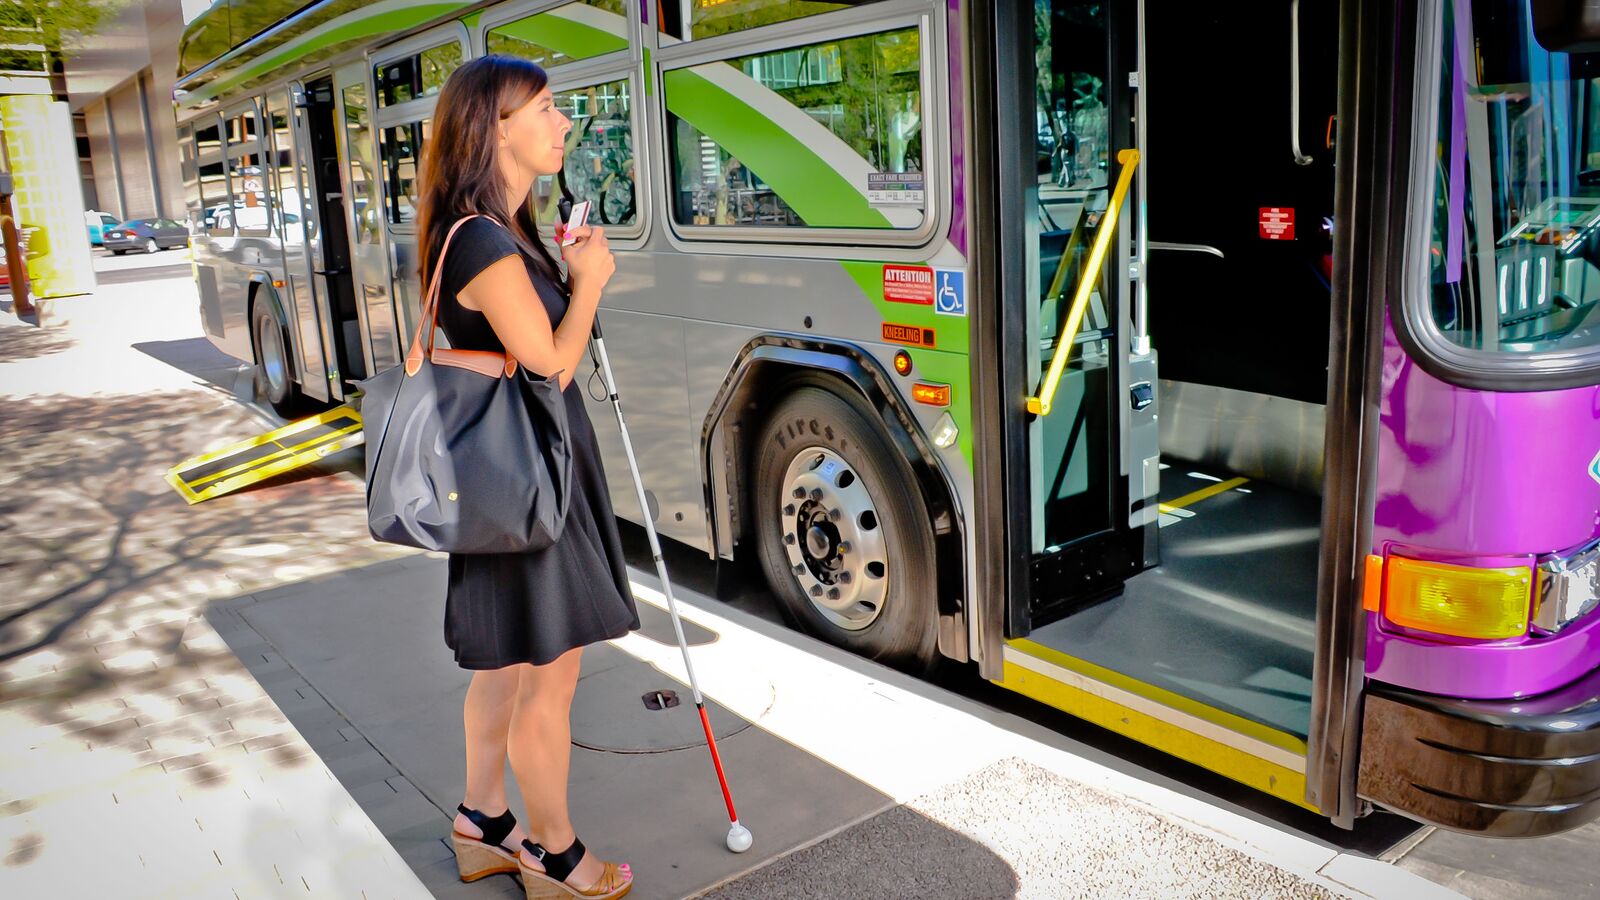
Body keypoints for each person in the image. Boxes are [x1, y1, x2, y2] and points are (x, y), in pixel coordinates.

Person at [414, 54, 640, 900]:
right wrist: (589, 284)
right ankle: (553, 853)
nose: (563, 123)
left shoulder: (495, 230)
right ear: (494, 127)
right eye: (545, 109)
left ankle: (482, 820)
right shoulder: (479, 237)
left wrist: (566, 270)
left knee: (506, 667)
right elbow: (548, 363)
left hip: (509, 484)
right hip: (530, 487)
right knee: (548, 675)